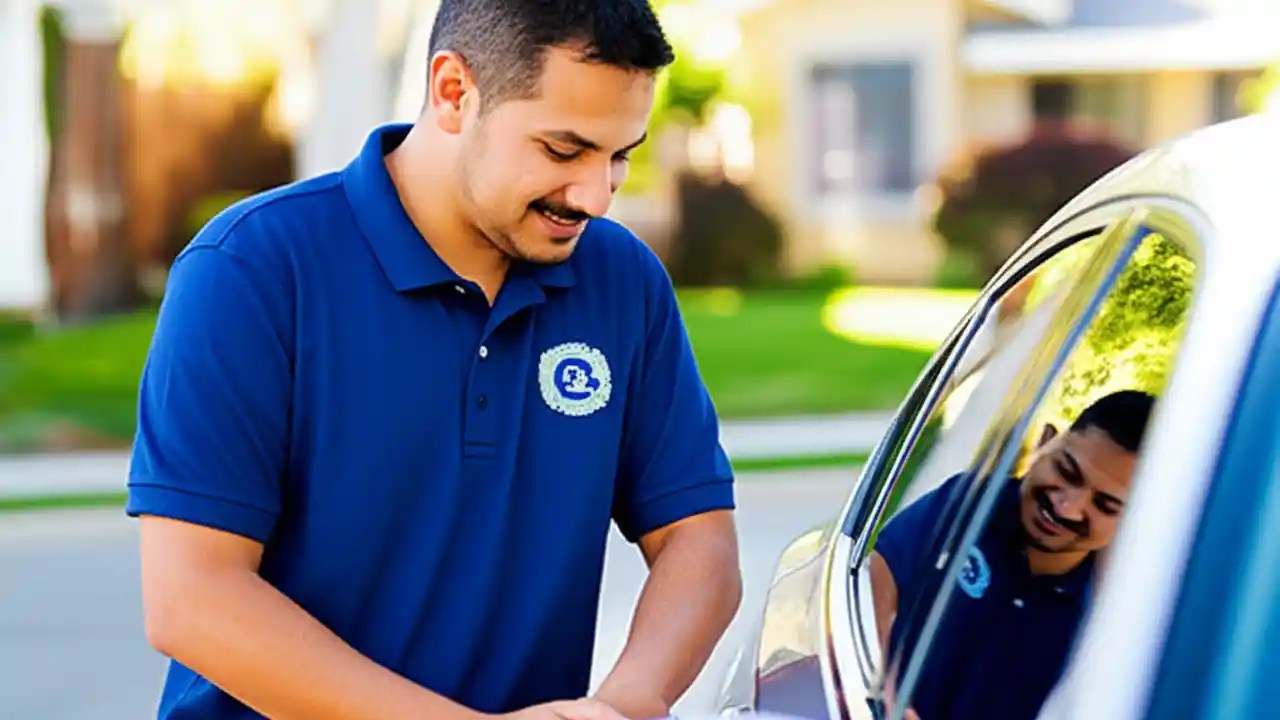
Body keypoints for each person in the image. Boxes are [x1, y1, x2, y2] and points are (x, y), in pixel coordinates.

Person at [126, 2, 743, 719]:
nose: (596, 196)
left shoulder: (622, 282)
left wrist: (626, 701)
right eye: (564, 150)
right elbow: (192, 598)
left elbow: (698, 541)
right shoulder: (252, 269)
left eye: (620, 157)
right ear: (454, 92)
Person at [868, 390, 1156, 720]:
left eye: (1105, 505)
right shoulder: (967, 506)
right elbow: (879, 577)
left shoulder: (1114, 610)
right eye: (1066, 471)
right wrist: (888, 700)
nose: (1068, 508)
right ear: (1044, 442)